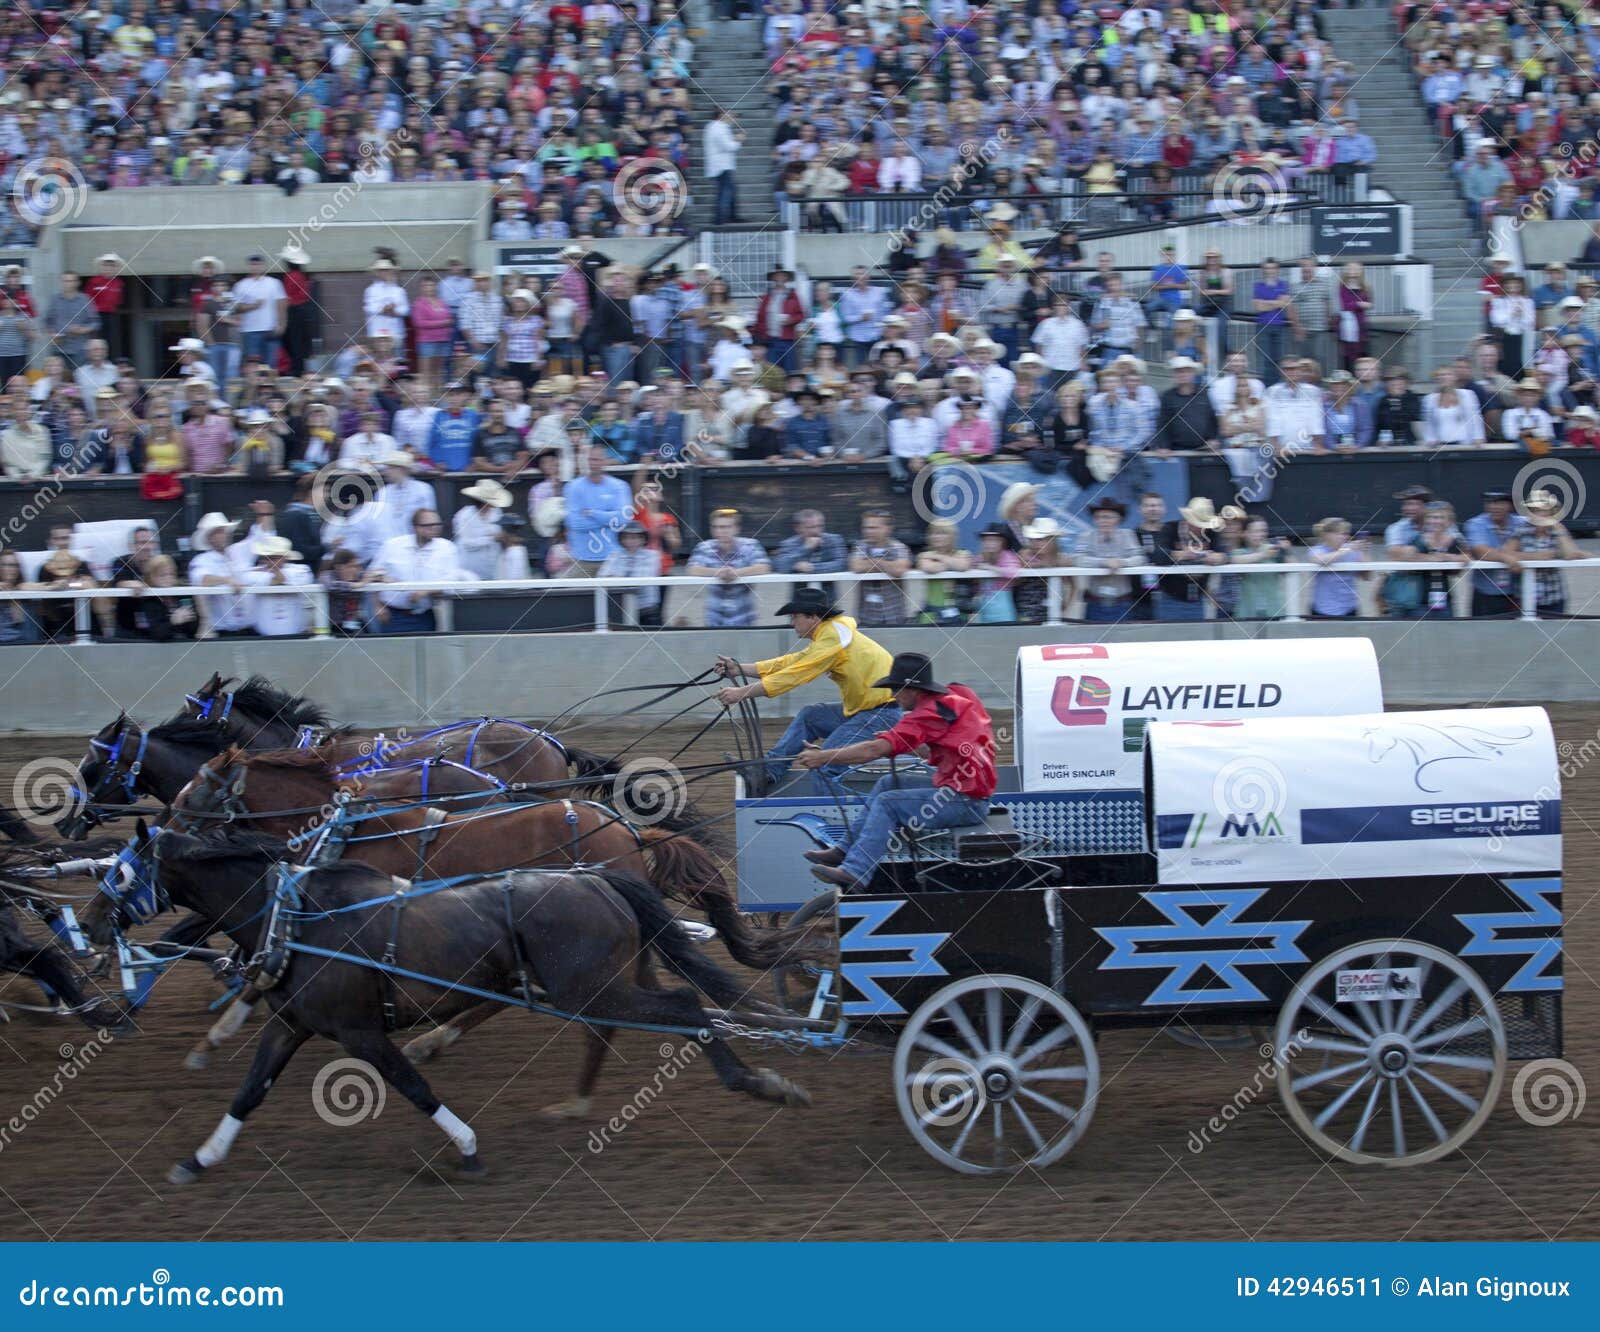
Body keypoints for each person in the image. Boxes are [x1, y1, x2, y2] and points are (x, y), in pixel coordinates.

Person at [801, 652, 997, 892]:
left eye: (896, 689)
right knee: (887, 784)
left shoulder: (927, 713)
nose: (892, 695)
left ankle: (855, 871)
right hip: (964, 793)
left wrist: (823, 757)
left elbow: (873, 751)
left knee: (888, 803)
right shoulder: (951, 699)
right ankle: (843, 849)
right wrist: (898, 742)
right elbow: (937, 747)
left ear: (911, 689)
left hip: (963, 800)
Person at [712, 585, 902, 795]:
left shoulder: (832, 639)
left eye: (795, 616)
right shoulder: (830, 635)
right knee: (810, 716)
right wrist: (740, 669)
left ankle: (842, 822)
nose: (792, 622)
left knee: (825, 763)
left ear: (813, 617)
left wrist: (741, 693)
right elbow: (792, 663)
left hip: (878, 715)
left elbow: (793, 676)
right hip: (870, 712)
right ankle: (768, 771)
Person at [369, 508, 466, 634]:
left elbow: (452, 580)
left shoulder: (446, 548)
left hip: (425, 615)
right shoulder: (393, 545)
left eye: (437, 524)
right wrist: (378, 606)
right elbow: (373, 574)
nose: (435, 528)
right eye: (429, 525)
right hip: (393, 615)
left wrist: (425, 592)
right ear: (416, 527)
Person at [685, 508, 771, 627]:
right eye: (716, 527)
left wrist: (737, 573)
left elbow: (764, 567)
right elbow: (692, 569)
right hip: (714, 616)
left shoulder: (751, 545)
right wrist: (718, 572)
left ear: (736, 528)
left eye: (725, 527)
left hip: (743, 614)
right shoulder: (704, 547)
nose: (720, 531)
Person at [563, 447, 634, 576]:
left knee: (614, 595)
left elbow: (624, 518)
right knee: (572, 594)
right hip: (581, 558)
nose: (593, 463)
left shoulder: (620, 486)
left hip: (612, 557)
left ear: (604, 461)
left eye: (597, 460)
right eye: (590, 459)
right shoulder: (572, 487)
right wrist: (609, 518)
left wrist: (592, 513)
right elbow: (574, 523)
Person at [1152, 497, 1226, 620]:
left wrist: (1217, 558)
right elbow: (1156, 555)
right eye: (1196, 523)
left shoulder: (1211, 532)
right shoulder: (1169, 528)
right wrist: (1181, 554)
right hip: (1170, 598)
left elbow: (1225, 554)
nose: (1200, 528)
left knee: (1197, 637)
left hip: (1197, 598)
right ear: (1187, 519)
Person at [1072, 498, 1145, 621]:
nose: (1103, 521)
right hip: (1095, 602)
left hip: (1122, 603)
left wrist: (1121, 562)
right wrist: (1103, 562)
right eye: (1098, 517)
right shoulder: (1086, 536)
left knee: (1123, 639)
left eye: (1107, 517)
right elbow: (1077, 559)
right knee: (1093, 638)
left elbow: (1140, 558)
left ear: (1118, 519)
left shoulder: (1127, 535)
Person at [1464, 489, 1530, 618]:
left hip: (1515, 592)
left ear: (1510, 506)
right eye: (1490, 503)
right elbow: (1480, 551)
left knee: (1517, 633)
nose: (1494, 507)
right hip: (1486, 594)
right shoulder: (1476, 524)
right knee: (1481, 633)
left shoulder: (1522, 523)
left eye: (1500, 503)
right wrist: (1506, 557)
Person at [242, 535, 315, 637]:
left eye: (275, 557)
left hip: (296, 636)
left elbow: (282, 579)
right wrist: (275, 576)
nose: (270, 561)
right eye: (268, 557)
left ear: (285, 558)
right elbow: (273, 580)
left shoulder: (301, 570)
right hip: (263, 637)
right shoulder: (251, 574)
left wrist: (275, 573)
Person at [600, 522, 665, 626]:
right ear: (622, 540)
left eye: (635, 537)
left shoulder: (652, 555)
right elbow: (602, 577)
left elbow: (643, 579)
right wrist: (622, 580)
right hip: (620, 607)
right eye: (627, 537)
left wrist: (616, 579)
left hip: (646, 610)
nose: (630, 541)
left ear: (643, 539)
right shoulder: (615, 555)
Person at [453, 478, 513, 581]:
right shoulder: (464, 515)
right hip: (470, 568)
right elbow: (465, 543)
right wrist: (491, 539)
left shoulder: (497, 513)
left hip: (493, 567)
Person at [1307, 518, 1367, 619]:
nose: (1346, 537)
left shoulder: (1352, 550)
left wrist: (1365, 551)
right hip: (1323, 610)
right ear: (1327, 535)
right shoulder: (1317, 550)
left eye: (1347, 534)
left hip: (1349, 609)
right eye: (1342, 533)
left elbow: (1366, 576)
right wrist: (1347, 550)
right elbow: (1321, 560)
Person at [704, 107, 744, 225]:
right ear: (721, 115)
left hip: (721, 166)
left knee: (731, 190)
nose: (732, 118)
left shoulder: (714, 127)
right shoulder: (719, 128)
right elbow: (728, 146)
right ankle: (719, 220)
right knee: (724, 193)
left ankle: (732, 216)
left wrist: (734, 139)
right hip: (721, 166)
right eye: (730, 115)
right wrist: (739, 140)